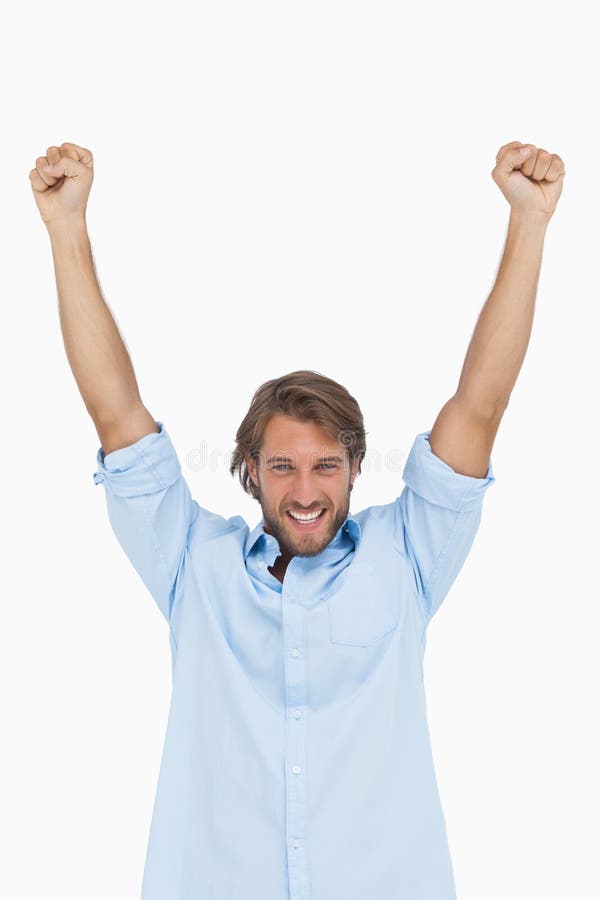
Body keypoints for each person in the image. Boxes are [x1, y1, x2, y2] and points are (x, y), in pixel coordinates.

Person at [30, 140, 565, 900]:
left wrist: (530, 224)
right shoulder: (194, 566)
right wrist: (66, 229)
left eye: (325, 466)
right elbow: (114, 411)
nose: (305, 489)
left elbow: (481, 404)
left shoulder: (407, 556)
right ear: (250, 471)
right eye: (282, 466)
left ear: (353, 469)